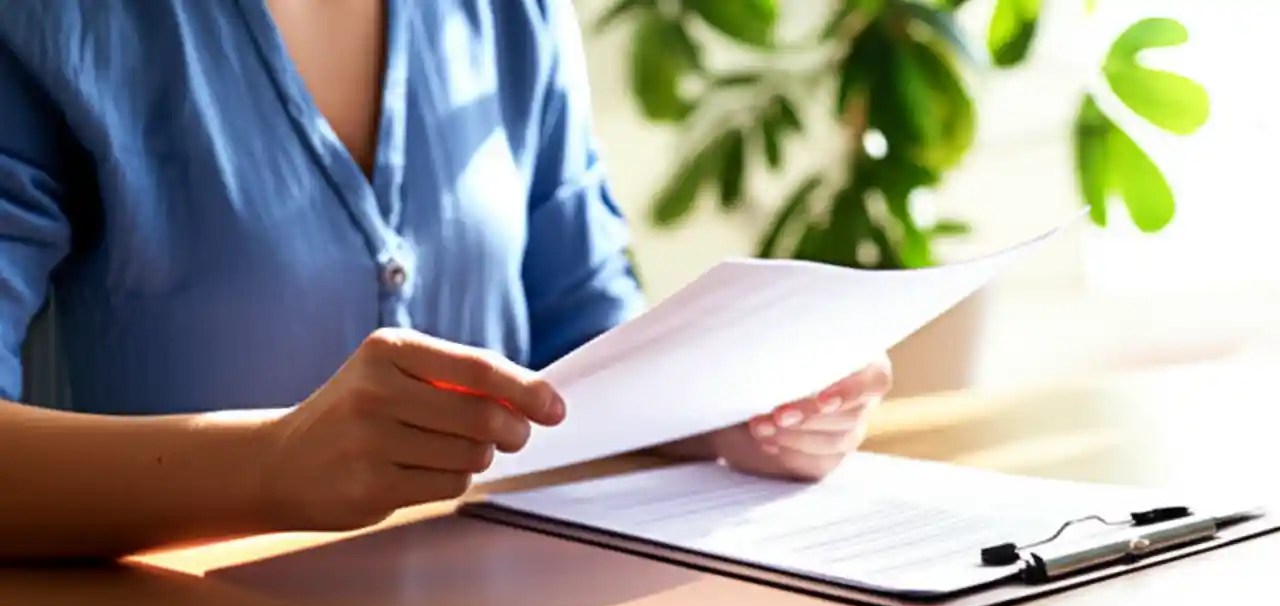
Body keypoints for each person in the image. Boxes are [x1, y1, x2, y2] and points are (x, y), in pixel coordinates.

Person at [0, 0, 891, 561]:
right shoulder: (54, 24)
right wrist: (269, 465)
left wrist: (730, 409)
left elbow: (581, 325)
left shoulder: (513, 15)